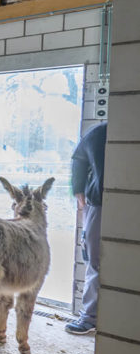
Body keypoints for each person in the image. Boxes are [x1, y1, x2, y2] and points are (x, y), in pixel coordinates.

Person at [65, 121, 107, 335]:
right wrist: (79, 189)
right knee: (95, 258)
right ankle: (90, 316)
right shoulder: (100, 132)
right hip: (99, 201)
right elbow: (79, 157)